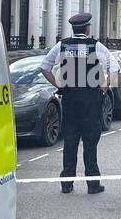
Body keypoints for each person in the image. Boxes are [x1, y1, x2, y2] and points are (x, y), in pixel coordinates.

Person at [41, 12, 114, 195]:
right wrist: (103, 89)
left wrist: (58, 84)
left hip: (70, 98)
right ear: (87, 28)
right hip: (90, 99)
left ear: (73, 28)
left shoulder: (62, 45)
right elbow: (114, 68)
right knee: (90, 142)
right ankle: (92, 184)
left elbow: (45, 67)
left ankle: (67, 183)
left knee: (70, 141)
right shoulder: (95, 46)